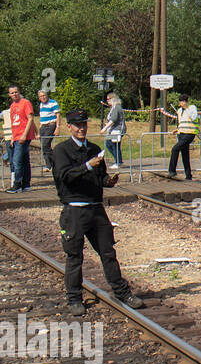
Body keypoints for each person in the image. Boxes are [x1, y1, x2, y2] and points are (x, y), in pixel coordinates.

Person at [52, 108, 143, 315]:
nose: (81, 128)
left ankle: (122, 292)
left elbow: (98, 176)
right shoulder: (61, 151)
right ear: (69, 127)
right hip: (74, 210)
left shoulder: (94, 149)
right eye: (77, 125)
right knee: (74, 256)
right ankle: (74, 298)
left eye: (84, 124)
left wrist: (107, 181)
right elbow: (64, 176)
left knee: (108, 252)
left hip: (96, 208)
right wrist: (88, 166)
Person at [164, 93, 199, 180]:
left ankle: (172, 171)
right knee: (185, 155)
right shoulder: (179, 111)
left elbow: (194, 117)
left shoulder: (192, 108)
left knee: (175, 149)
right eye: (180, 101)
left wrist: (186, 108)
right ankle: (188, 175)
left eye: (183, 101)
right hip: (181, 133)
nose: (181, 103)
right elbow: (181, 122)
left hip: (190, 133)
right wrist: (178, 129)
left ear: (186, 102)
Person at [7, 85, 35, 192]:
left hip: (24, 136)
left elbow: (30, 119)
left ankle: (17, 184)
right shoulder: (12, 106)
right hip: (16, 135)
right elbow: (14, 123)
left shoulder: (25, 103)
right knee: (24, 160)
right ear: (9, 95)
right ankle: (26, 184)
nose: (14, 94)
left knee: (16, 161)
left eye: (16, 92)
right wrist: (12, 137)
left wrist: (24, 135)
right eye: (12, 93)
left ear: (19, 92)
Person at [37, 89, 60, 174]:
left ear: (47, 95)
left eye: (44, 95)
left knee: (45, 144)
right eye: (41, 96)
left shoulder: (53, 103)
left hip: (51, 125)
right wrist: (39, 131)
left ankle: (55, 162)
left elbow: (58, 115)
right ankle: (49, 165)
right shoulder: (41, 105)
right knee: (44, 147)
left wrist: (58, 127)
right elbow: (41, 117)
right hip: (43, 126)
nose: (43, 97)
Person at [101, 92, 125, 164]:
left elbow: (113, 120)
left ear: (113, 99)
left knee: (114, 146)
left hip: (117, 130)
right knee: (109, 144)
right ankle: (118, 161)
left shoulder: (117, 107)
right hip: (113, 130)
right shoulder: (113, 107)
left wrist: (104, 128)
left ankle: (118, 162)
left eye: (108, 99)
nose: (107, 101)